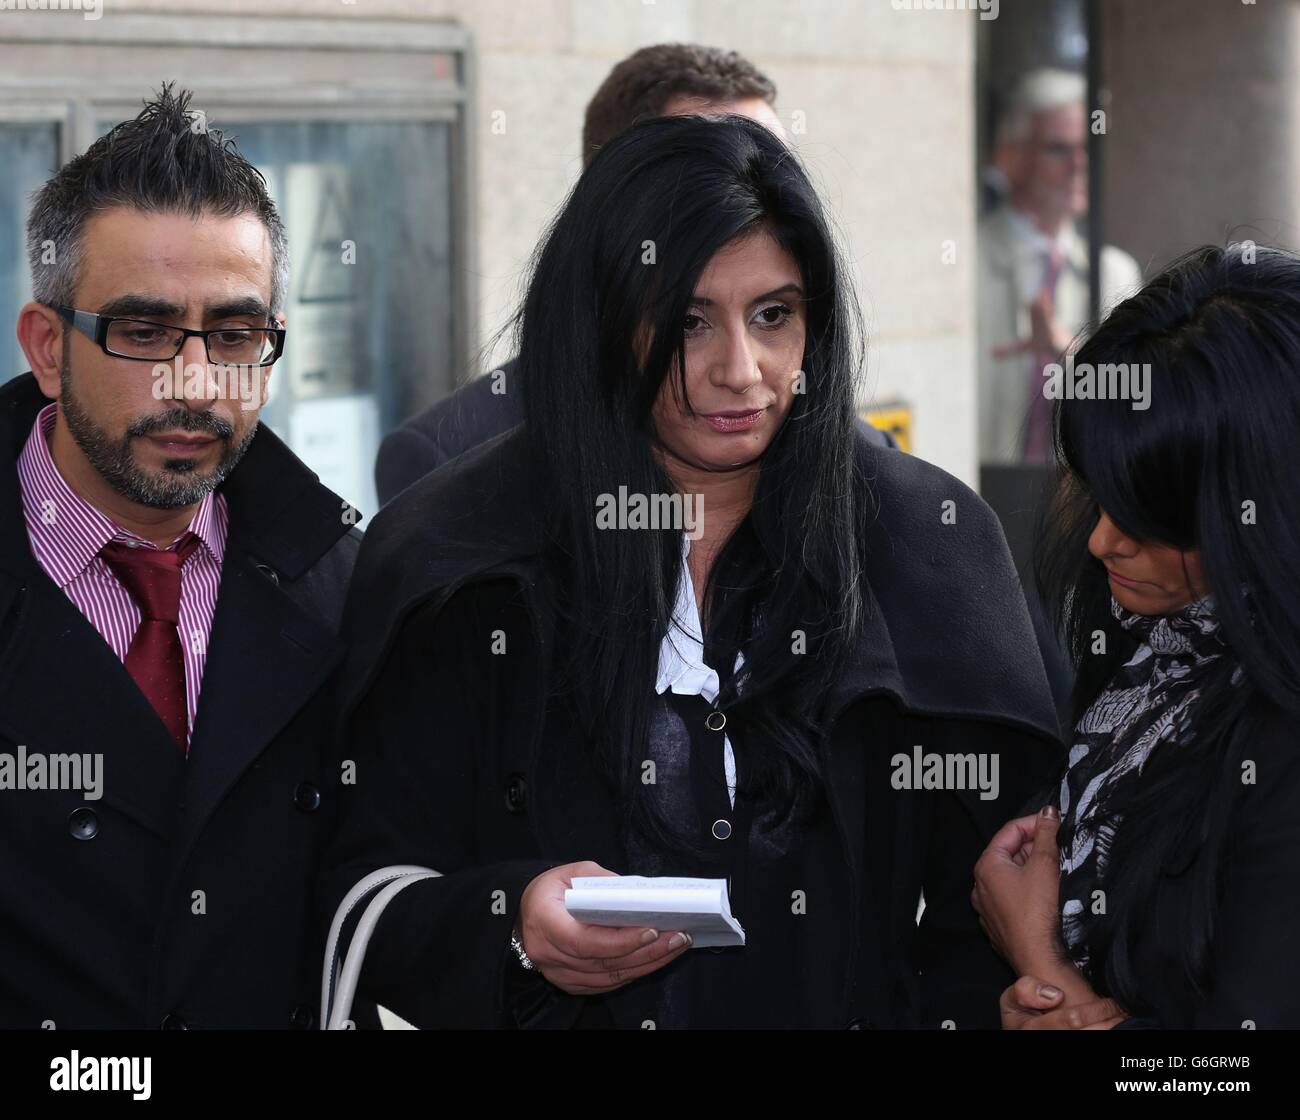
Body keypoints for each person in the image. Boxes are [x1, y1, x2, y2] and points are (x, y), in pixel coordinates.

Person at [324, 114, 1061, 1030]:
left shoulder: (927, 541)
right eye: (687, 321)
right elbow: (360, 890)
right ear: (599, 322)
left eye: (774, 316)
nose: (740, 371)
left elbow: (1006, 884)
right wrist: (512, 924)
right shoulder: (455, 551)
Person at [0, 85, 360, 1029]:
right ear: (48, 347)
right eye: (145, 332)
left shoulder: (348, 586)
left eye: (236, 335)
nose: (196, 382)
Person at [973, 244, 1300, 1029]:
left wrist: (1044, 968)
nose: (1102, 542)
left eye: (1150, 518)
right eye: (1099, 492)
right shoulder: (1158, 636)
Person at [374, 42, 894, 506]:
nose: (752, 195)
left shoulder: (873, 465)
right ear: (613, 194)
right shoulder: (446, 458)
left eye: (774, 165)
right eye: (702, 171)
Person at [978, 68, 1142, 465]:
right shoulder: (970, 261)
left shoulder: (1115, 273)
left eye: (1087, 148)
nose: (1079, 165)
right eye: (1058, 149)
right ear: (1010, 158)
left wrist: (1070, 355)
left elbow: (1138, 411)